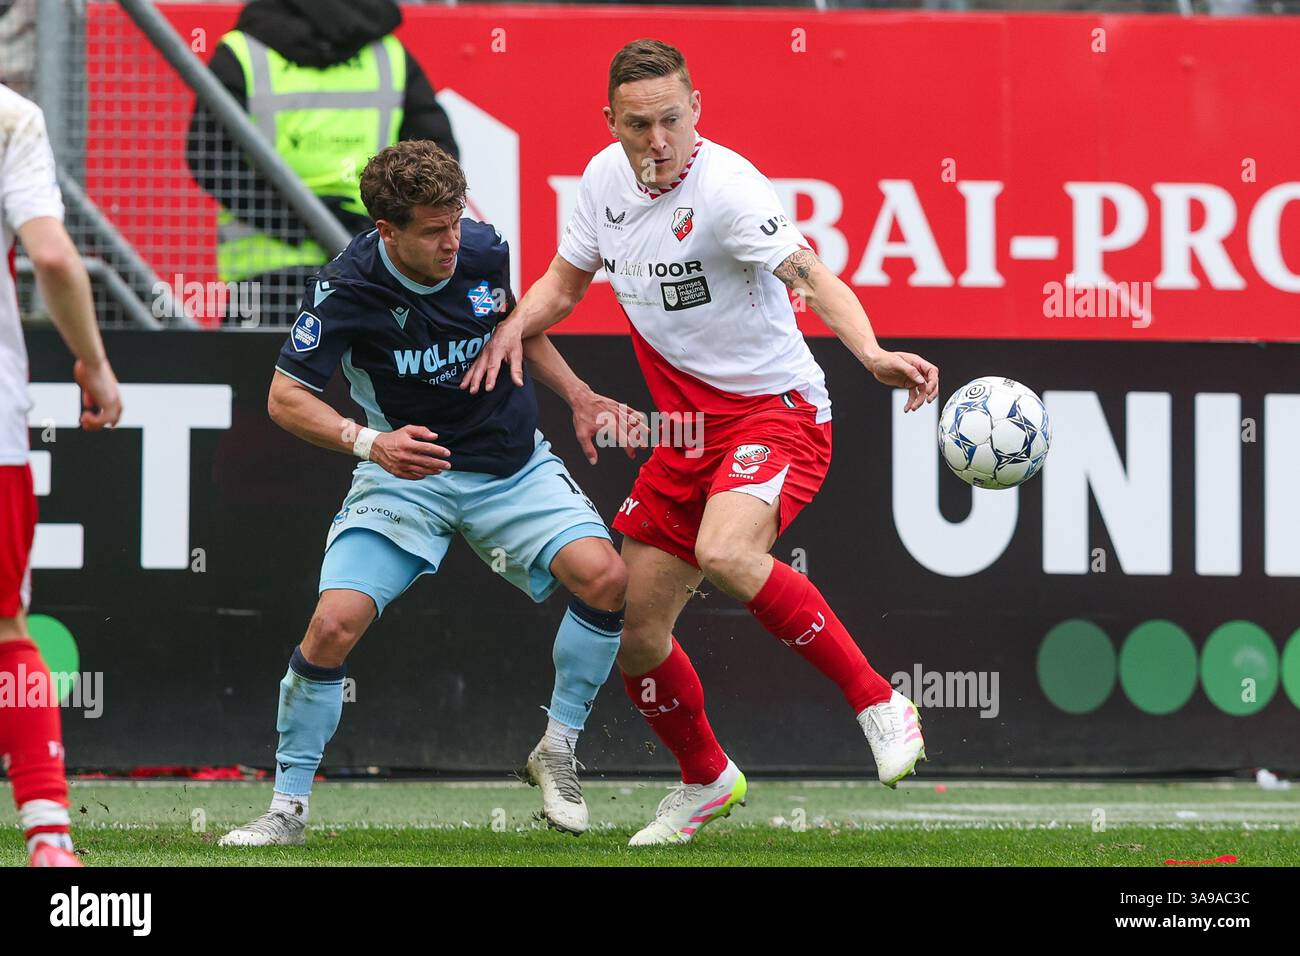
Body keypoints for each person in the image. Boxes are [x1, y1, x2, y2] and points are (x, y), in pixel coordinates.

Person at [463, 39, 939, 845]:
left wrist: (872, 354)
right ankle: (706, 779)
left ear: (697, 111)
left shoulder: (728, 190)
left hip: (775, 412)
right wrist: (514, 328)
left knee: (727, 551)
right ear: (609, 120)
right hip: (687, 435)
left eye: (672, 121)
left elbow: (812, 276)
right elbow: (565, 284)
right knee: (636, 629)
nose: (657, 142)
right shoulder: (602, 184)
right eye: (639, 124)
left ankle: (878, 701)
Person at [219, 140, 636, 846]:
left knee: (607, 579)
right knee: (331, 626)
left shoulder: (480, 250)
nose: (453, 240)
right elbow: (284, 399)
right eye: (434, 230)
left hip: (510, 465)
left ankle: (557, 748)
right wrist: (368, 442)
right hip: (404, 477)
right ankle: (286, 810)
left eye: (456, 220)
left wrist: (577, 393)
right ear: (388, 231)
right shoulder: (347, 289)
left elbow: (514, 332)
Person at [0, 82, 123, 867]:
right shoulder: (11, 116)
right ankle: (48, 836)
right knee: (7, 633)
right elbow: (50, 252)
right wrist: (94, 361)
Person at [186, 0, 459, 325]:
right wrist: (378, 218)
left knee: (261, 375)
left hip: (268, 273)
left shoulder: (242, 51)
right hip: (369, 263)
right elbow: (437, 159)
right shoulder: (389, 54)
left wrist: (296, 217)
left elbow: (210, 159)